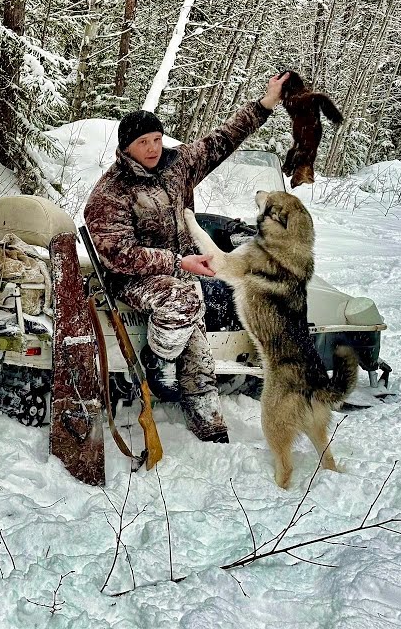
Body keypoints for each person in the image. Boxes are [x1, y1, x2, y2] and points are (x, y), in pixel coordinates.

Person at [83, 73, 289, 443]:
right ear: (125, 148)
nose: (153, 148)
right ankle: (159, 363)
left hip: (182, 270)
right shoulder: (110, 192)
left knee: (198, 351)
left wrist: (266, 103)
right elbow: (118, 255)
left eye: (157, 139)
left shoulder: (177, 167)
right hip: (134, 278)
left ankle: (206, 417)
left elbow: (222, 140)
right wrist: (178, 263)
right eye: (143, 142)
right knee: (185, 299)